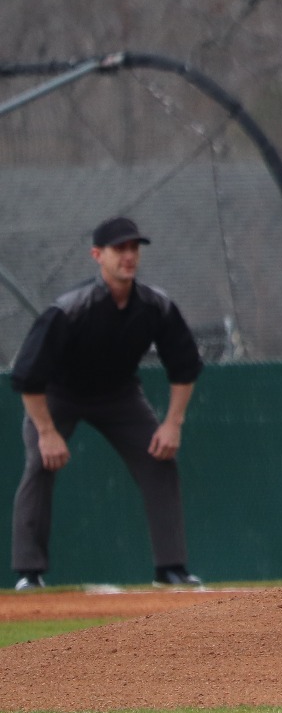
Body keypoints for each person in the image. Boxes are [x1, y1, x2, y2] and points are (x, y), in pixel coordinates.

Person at [10, 217, 204, 589]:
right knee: (39, 464)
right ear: (97, 255)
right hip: (58, 395)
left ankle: (171, 568)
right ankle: (29, 574)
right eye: (119, 249)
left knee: (160, 459)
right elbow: (28, 377)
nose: (128, 256)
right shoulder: (70, 308)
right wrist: (46, 432)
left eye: (134, 248)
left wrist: (173, 423)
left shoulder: (156, 305)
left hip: (119, 395)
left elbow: (185, 366)